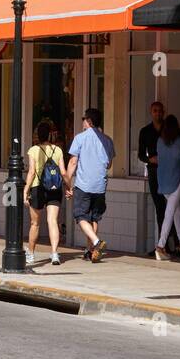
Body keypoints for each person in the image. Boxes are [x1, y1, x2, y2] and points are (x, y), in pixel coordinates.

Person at [66, 107, 115, 262]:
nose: (83, 123)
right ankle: (91, 251)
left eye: (84, 120)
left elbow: (73, 162)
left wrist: (67, 183)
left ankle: (96, 242)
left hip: (84, 185)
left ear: (89, 121)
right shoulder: (107, 140)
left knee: (80, 216)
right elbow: (108, 165)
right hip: (100, 185)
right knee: (94, 218)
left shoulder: (80, 138)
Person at [153, 115, 180, 261]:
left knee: (177, 211)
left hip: (162, 180)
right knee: (170, 213)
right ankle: (161, 246)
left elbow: (158, 158)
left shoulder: (159, 142)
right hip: (176, 179)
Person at [25, 121, 66, 266]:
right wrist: (68, 187)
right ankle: (54, 253)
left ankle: (30, 254)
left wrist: (25, 190)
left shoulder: (33, 150)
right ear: (50, 134)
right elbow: (63, 172)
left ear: (37, 135)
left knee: (35, 223)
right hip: (54, 189)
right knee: (52, 221)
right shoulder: (58, 150)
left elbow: (31, 172)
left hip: (38, 188)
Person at [137, 100, 173, 256]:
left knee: (174, 209)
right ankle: (162, 244)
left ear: (163, 112)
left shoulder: (170, 129)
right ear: (151, 112)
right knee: (160, 207)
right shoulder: (145, 131)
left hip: (171, 171)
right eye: (155, 111)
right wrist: (149, 159)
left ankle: (177, 244)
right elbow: (140, 154)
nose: (157, 113)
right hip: (154, 171)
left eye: (160, 111)